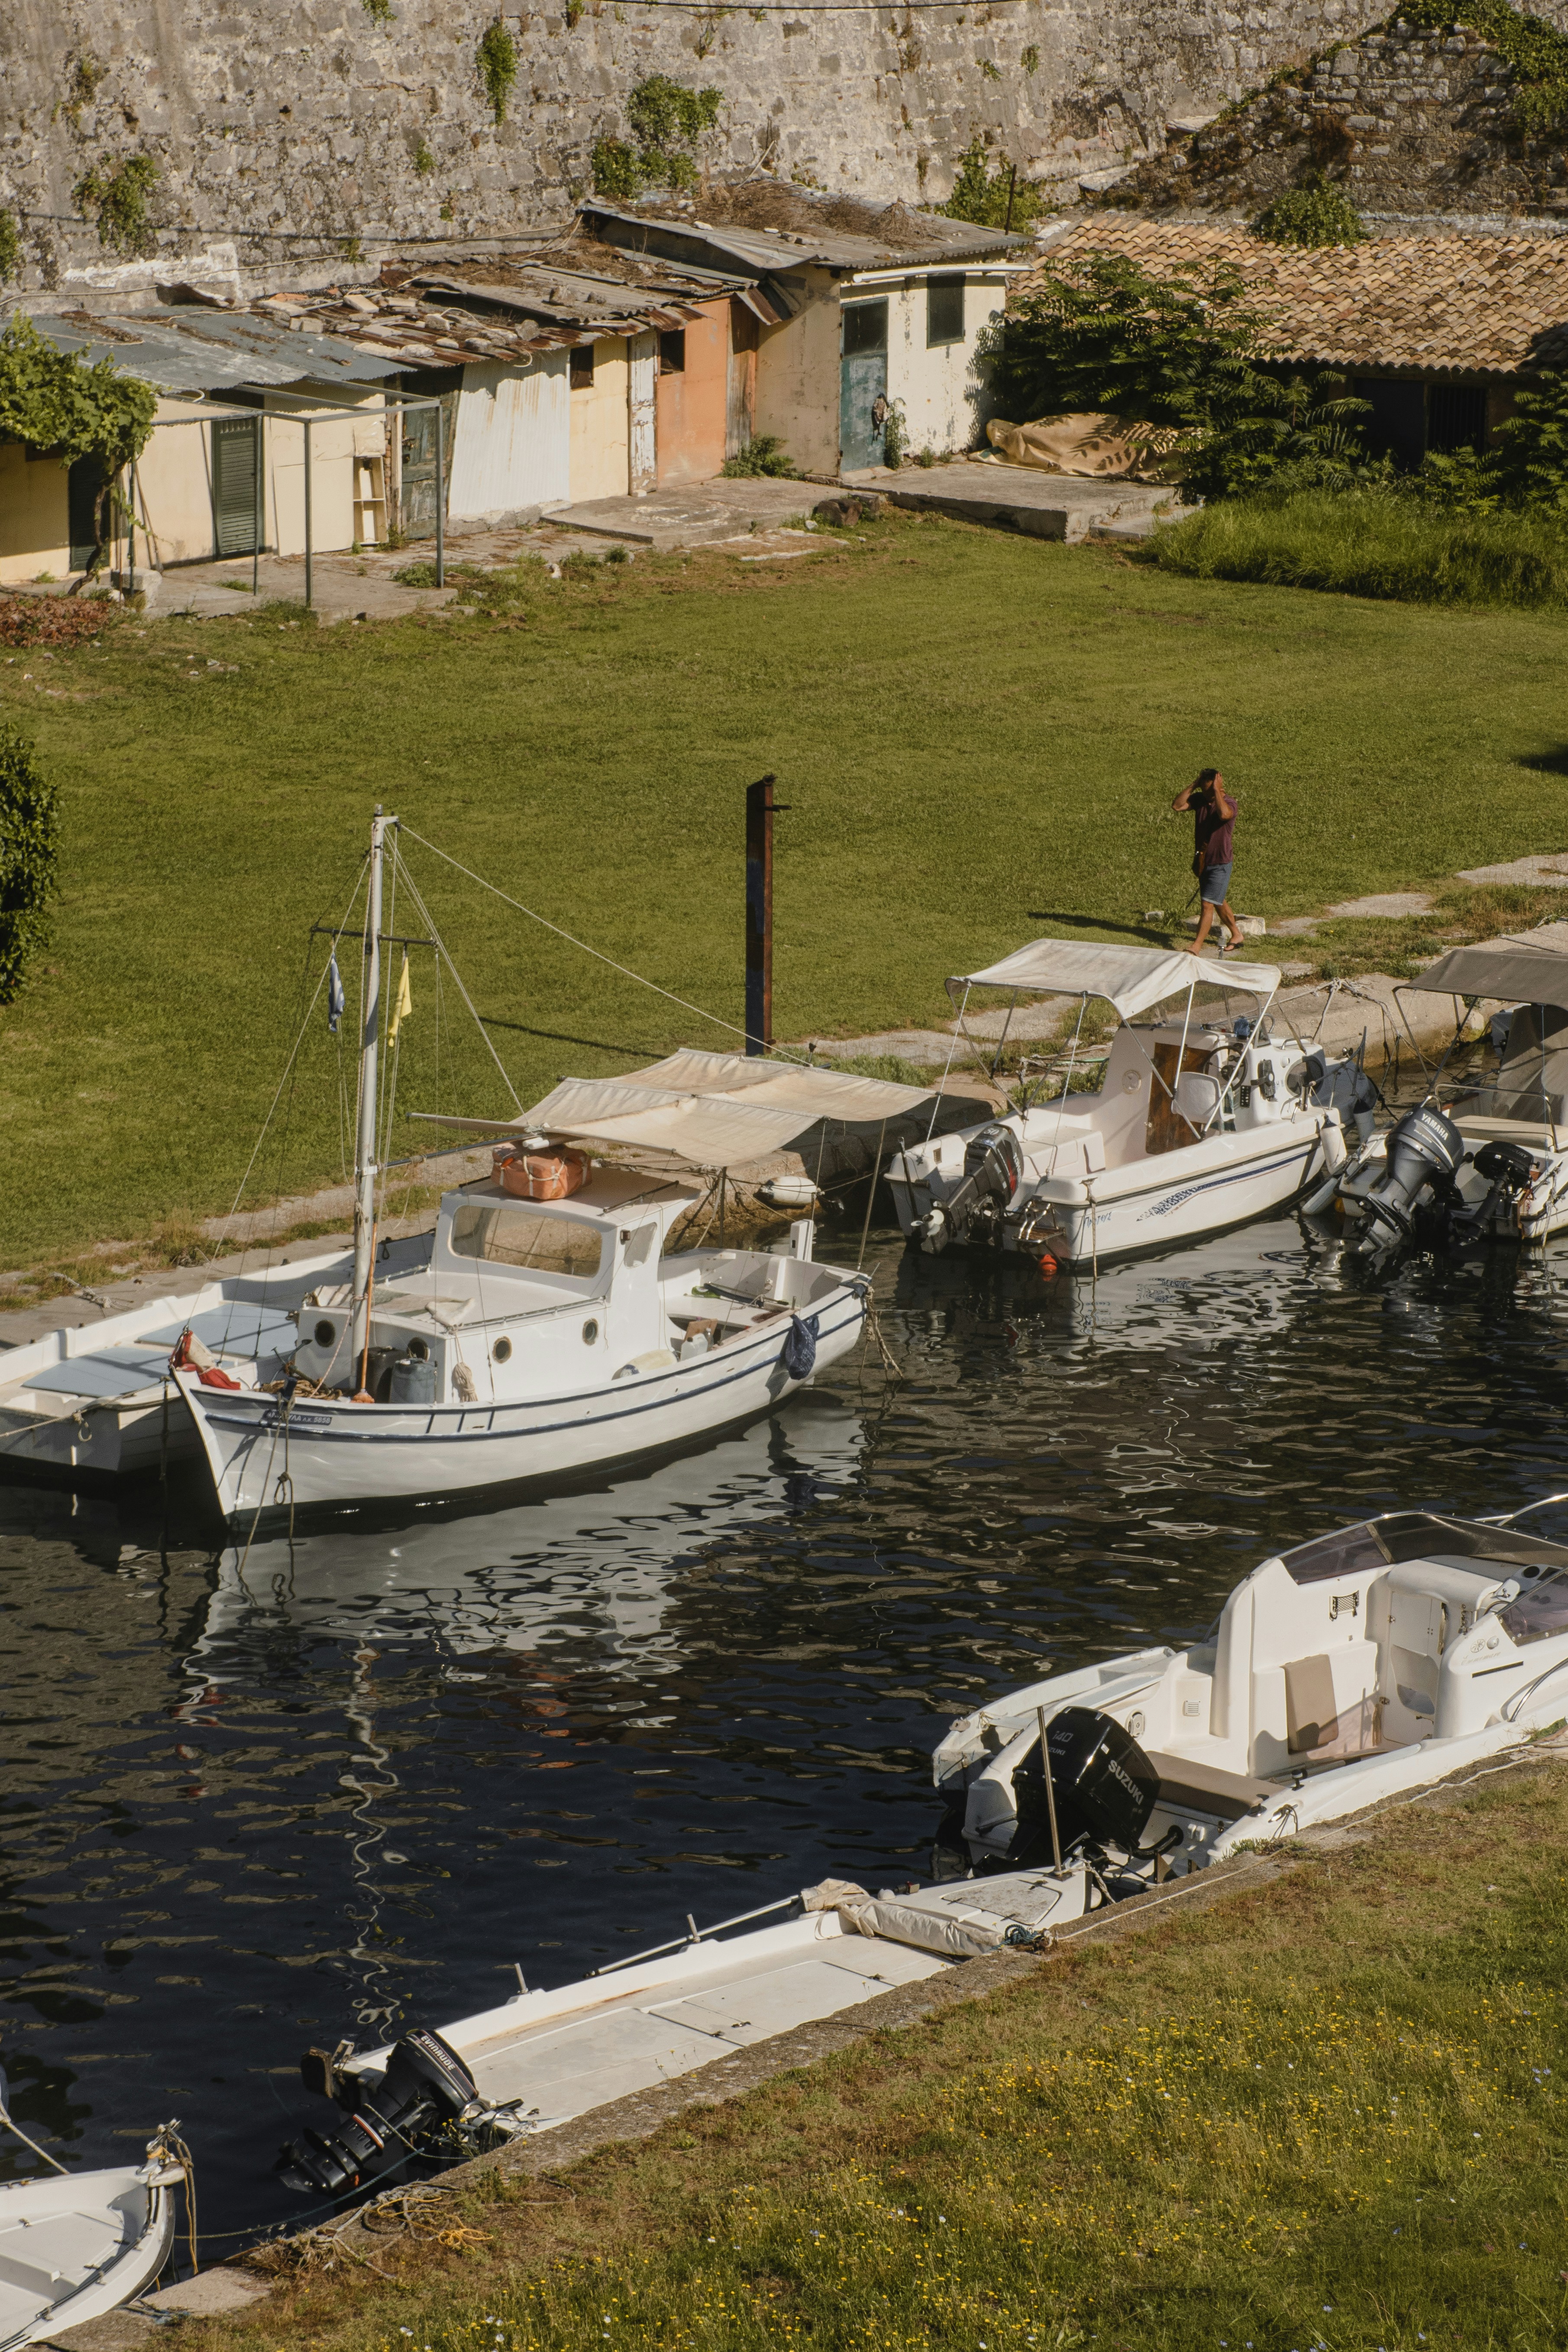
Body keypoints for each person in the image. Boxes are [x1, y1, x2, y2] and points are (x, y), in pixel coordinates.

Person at [1171, 768, 1241, 957]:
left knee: (1207, 904)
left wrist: (1217, 792)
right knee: (1216, 900)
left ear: (1219, 785)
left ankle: (1196, 947)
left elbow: (1225, 815)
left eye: (1209, 789)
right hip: (1203, 861)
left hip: (1221, 862)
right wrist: (1194, 785)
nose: (1205, 793)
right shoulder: (1201, 799)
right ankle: (1237, 934)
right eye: (1203, 789)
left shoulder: (1229, 803)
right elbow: (1177, 806)